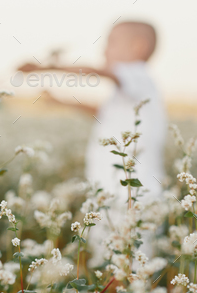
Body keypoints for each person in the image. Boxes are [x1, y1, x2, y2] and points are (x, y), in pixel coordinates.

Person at [17, 21, 168, 267]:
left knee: (133, 266)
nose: (104, 51)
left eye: (111, 43)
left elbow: (100, 72)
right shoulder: (130, 90)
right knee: (108, 264)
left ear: (138, 47)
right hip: (110, 195)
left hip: (132, 198)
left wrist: (46, 68)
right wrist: (62, 101)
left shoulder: (137, 74)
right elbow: (102, 111)